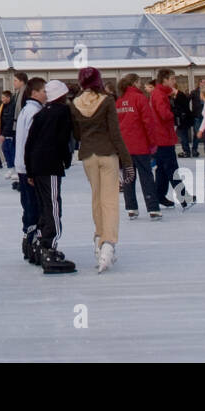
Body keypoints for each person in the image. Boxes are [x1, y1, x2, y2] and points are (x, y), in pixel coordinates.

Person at [70, 67, 132, 273]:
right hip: (107, 153)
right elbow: (116, 134)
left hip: (88, 155)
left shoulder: (75, 104)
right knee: (110, 200)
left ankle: (99, 237)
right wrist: (127, 162)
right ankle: (108, 243)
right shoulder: (107, 101)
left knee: (96, 197)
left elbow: (77, 134)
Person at [25, 79, 77, 273]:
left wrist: (29, 170)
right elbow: (63, 139)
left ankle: (39, 243)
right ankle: (49, 247)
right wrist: (66, 160)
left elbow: (29, 143)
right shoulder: (62, 113)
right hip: (50, 165)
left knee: (44, 204)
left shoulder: (40, 114)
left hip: (37, 166)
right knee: (54, 205)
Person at [114, 73, 159, 220]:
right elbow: (148, 122)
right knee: (146, 176)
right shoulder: (140, 98)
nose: (141, 84)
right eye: (139, 82)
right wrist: (152, 143)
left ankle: (131, 208)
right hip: (140, 145)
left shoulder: (119, 101)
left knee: (128, 177)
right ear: (134, 83)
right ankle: (152, 208)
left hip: (125, 147)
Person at [148, 70, 193, 208]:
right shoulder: (159, 94)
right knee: (171, 167)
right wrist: (174, 113)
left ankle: (158, 196)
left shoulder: (160, 93)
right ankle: (184, 197)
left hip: (162, 136)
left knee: (162, 168)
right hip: (163, 136)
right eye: (172, 78)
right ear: (165, 80)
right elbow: (164, 114)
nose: (174, 81)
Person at [15, 77, 46, 262]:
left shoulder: (26, 110)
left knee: (28, 205)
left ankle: (28, 239)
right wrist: (31, 168)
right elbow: (30, 142)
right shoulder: (34, 112)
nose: (46, 95)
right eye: (44, 91)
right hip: (28, 167)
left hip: (23, 165)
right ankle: (32, 242)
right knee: (33, 206)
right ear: (35, 92)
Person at [0, 71, 27, 181]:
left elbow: (16, 114)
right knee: (9, 148)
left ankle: (19, 170)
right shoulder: (17, 94)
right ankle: (14, 168)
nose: (13, 83)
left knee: (13, 148)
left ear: (22, 81)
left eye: (15, 81)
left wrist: (6, 132)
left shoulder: (24, 94)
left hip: (18, 127)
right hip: (15, 128)